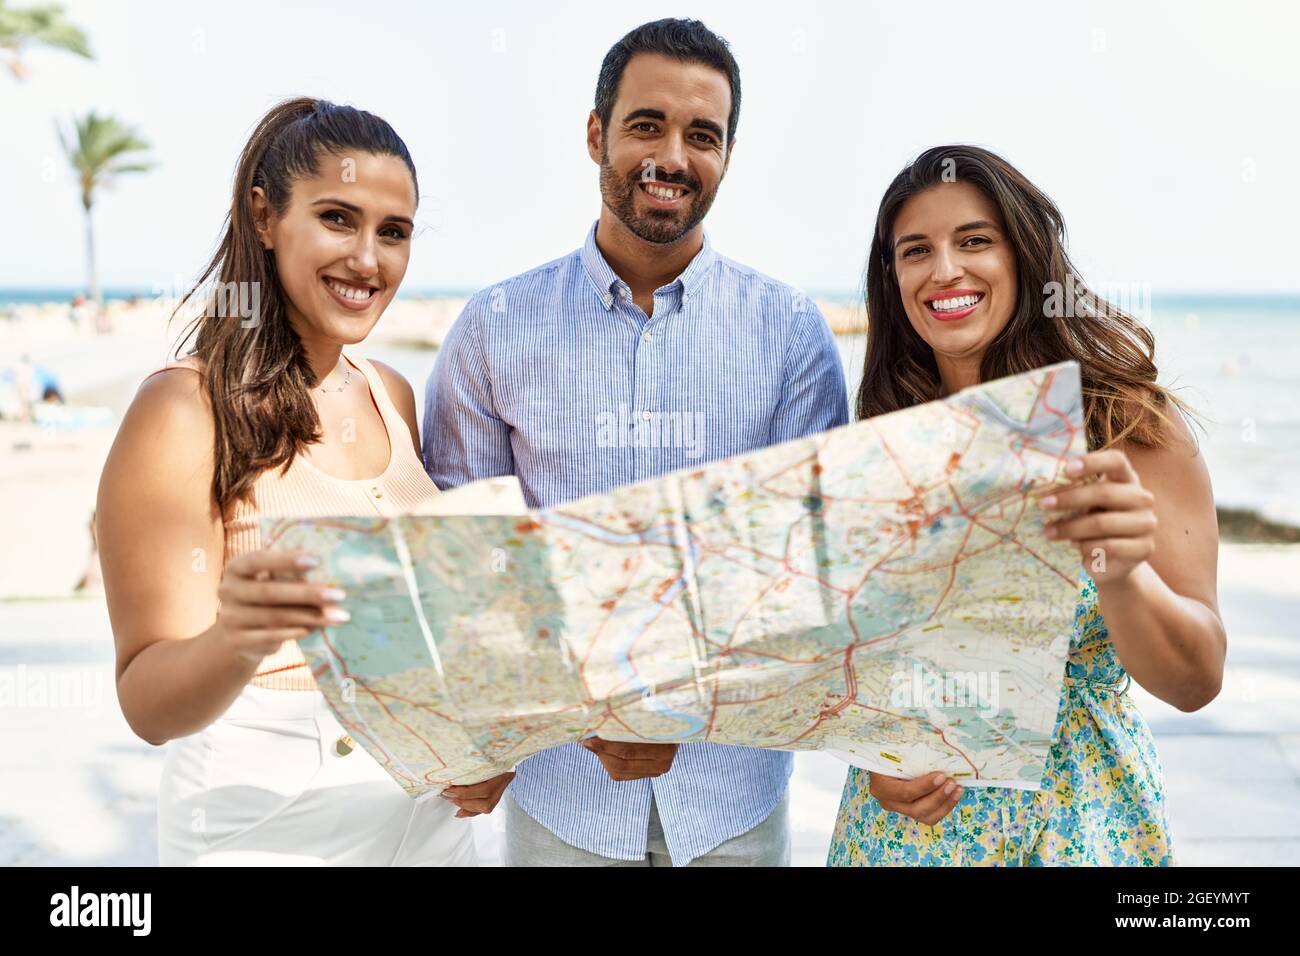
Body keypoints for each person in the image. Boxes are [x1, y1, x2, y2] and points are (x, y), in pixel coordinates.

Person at [424, 18, 848, 866]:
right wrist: (555, 724)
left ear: (727, 155)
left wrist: (686, 714)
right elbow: (467, 567)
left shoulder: (793, 333)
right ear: (596, 134)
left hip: (734, 797)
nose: (673, 157)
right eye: (646, 125)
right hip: (560, 801)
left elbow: (811, 572)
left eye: (703, 135)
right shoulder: (494, 330)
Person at [97, 98, 477, 866]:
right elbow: (146, 703)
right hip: (266, 827)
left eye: (393, 232)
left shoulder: (393, 394)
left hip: (432, 826)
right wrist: (239, 639)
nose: (369, 260)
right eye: (338, 219)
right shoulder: (182, 408)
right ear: (265, 218)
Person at [828, 145, 1226, 866]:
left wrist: (1123, 574)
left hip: (1081, 821)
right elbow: (855, 661)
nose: (944, 269)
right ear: (893, 279)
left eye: (974, 240)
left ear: (1025, 256)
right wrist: (872, 753)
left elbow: (1197, 680)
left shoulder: (1126, 423)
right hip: (903, 839)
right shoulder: (886, 438)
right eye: (916, 250)